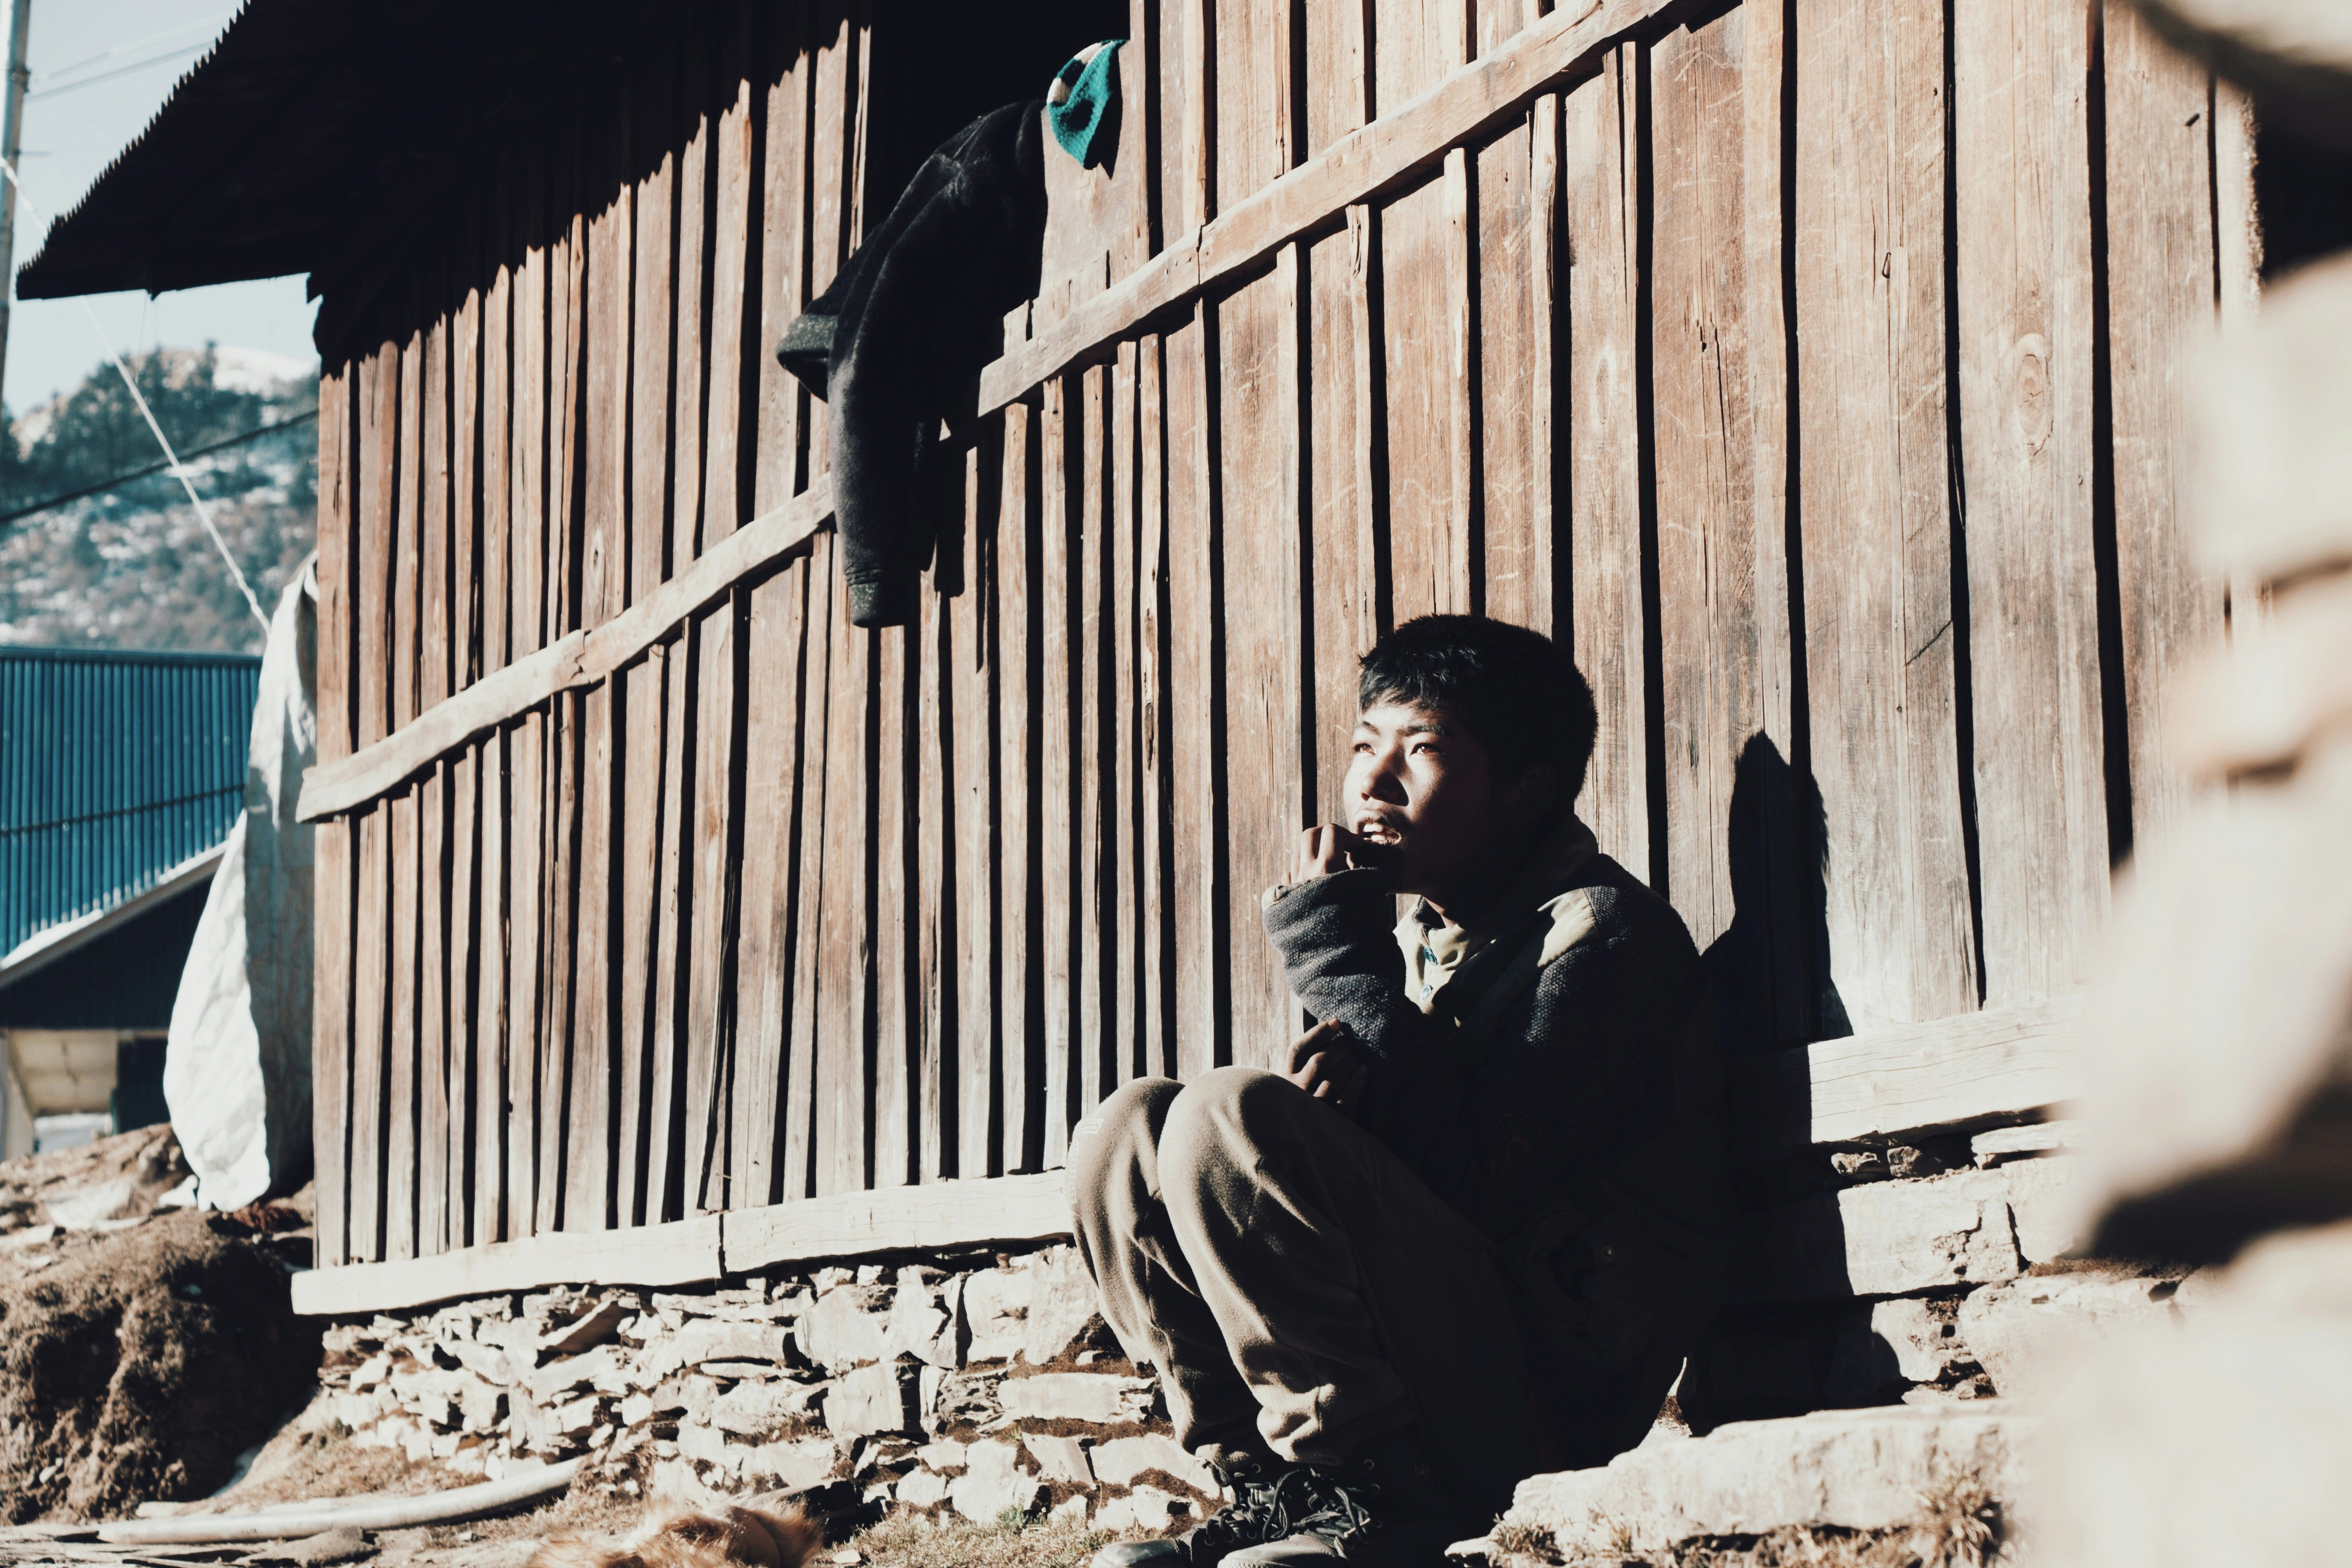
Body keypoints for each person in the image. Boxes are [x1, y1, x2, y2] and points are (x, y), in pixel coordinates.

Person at [1069, 614, 1729, 1568]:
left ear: (1524, 791)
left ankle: (1384, 1504)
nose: (1373, 784)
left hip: (1543, 1405)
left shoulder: (1602, 939)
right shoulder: (1430, 937)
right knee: (1130, 1127)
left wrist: (1334, 954)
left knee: (1227, 1114)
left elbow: (1482, 1190)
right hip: (1446, 1356)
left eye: (1421, 751)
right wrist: (1337, 1110)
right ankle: (1275, 1487)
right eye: (1363, 748)